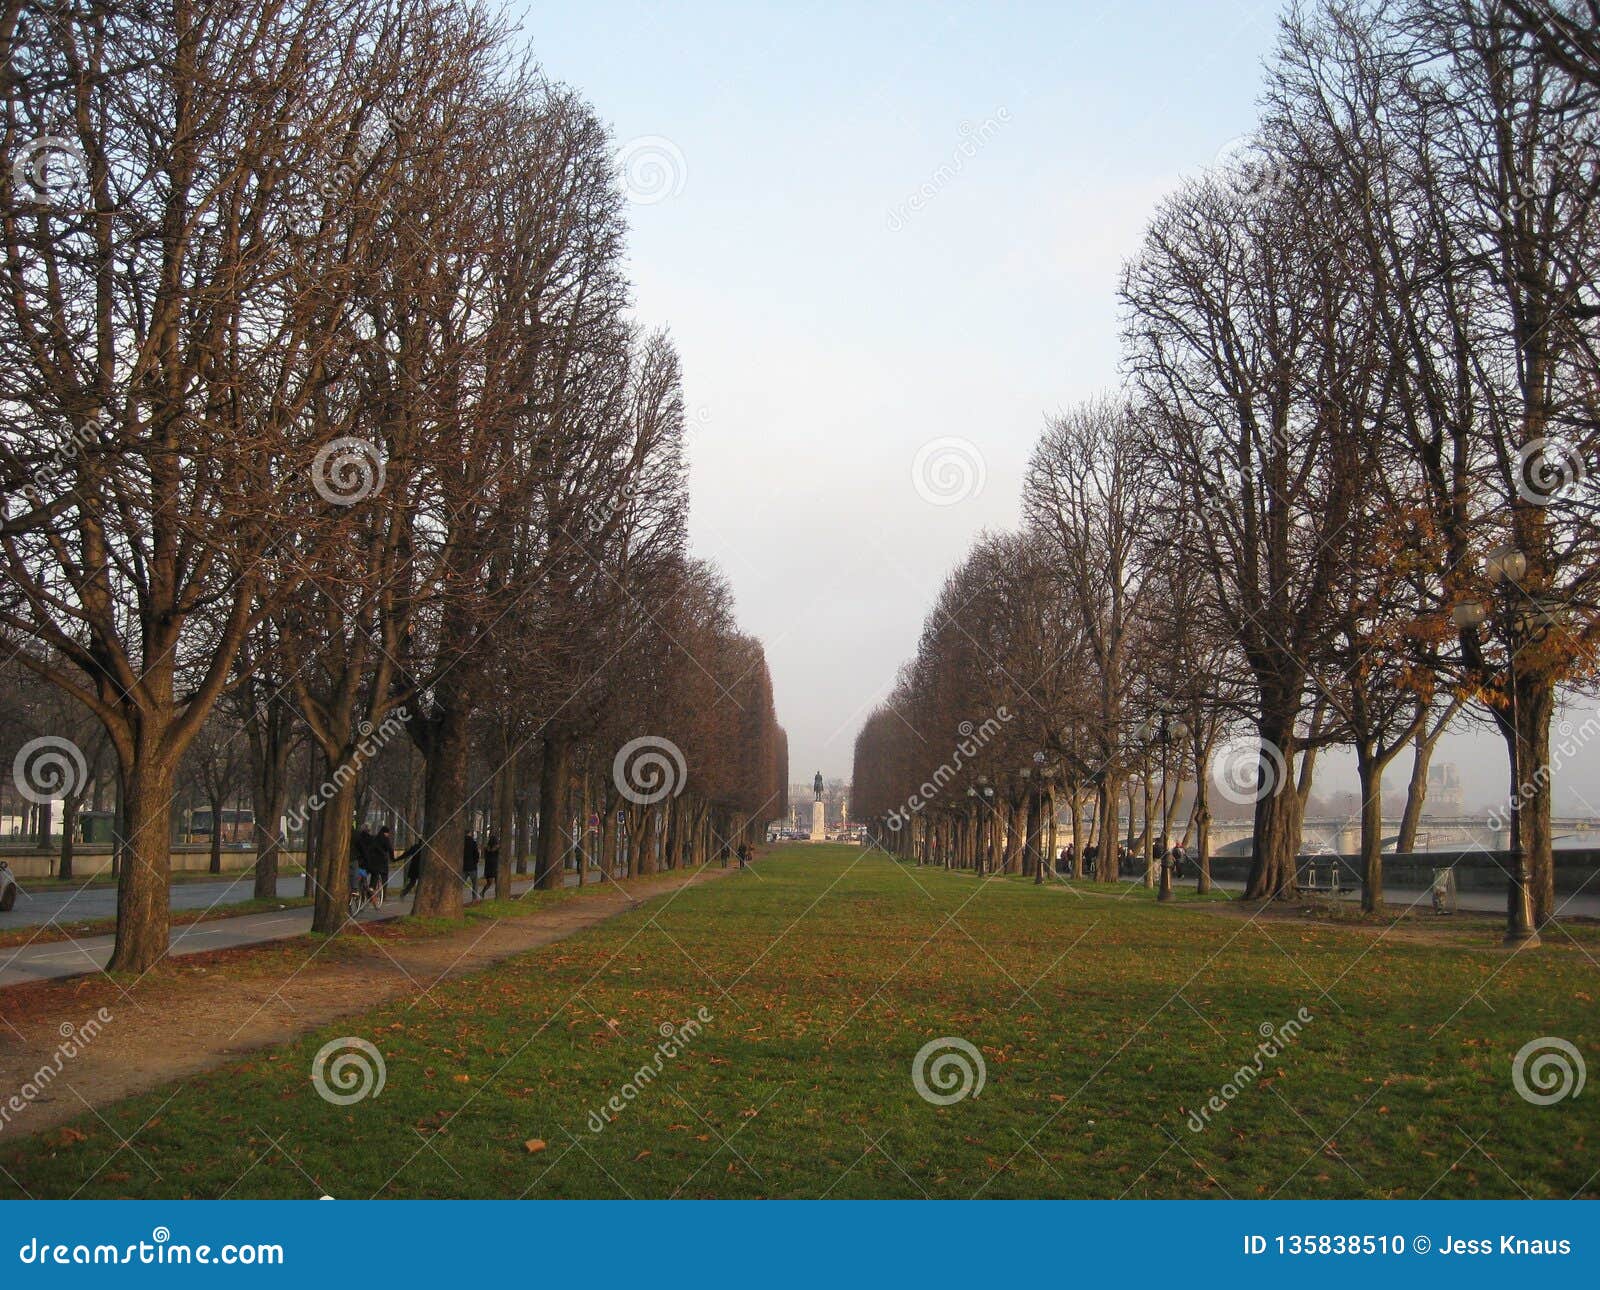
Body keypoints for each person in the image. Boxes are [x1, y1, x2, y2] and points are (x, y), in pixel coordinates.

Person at [370, 825, 395, 905]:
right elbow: (390, 849)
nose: (388, 835)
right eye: (388, 833)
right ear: (386, 833)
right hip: (382, 861)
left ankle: (371, 894)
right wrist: (392, 858)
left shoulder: (375, 838)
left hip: (374, 861)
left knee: (374, 877)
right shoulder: (385, 839)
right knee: (384, 878)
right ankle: (383, 896)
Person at [479, 833, 499, 901]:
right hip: (495, 866)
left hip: (488, 866)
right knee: (497, 881)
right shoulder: (497, 848)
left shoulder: (486, 848)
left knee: (489, 883)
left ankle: (482, 892)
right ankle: (497, 895)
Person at [462, 831, 480, 900]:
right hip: (472, 866)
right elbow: (476, 854)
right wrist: (475, 862)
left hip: (464, 866)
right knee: (475, 884)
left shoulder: (461, 842)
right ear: (470, 833)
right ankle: (474, 898)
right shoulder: (473, 843)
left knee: (461, 883)